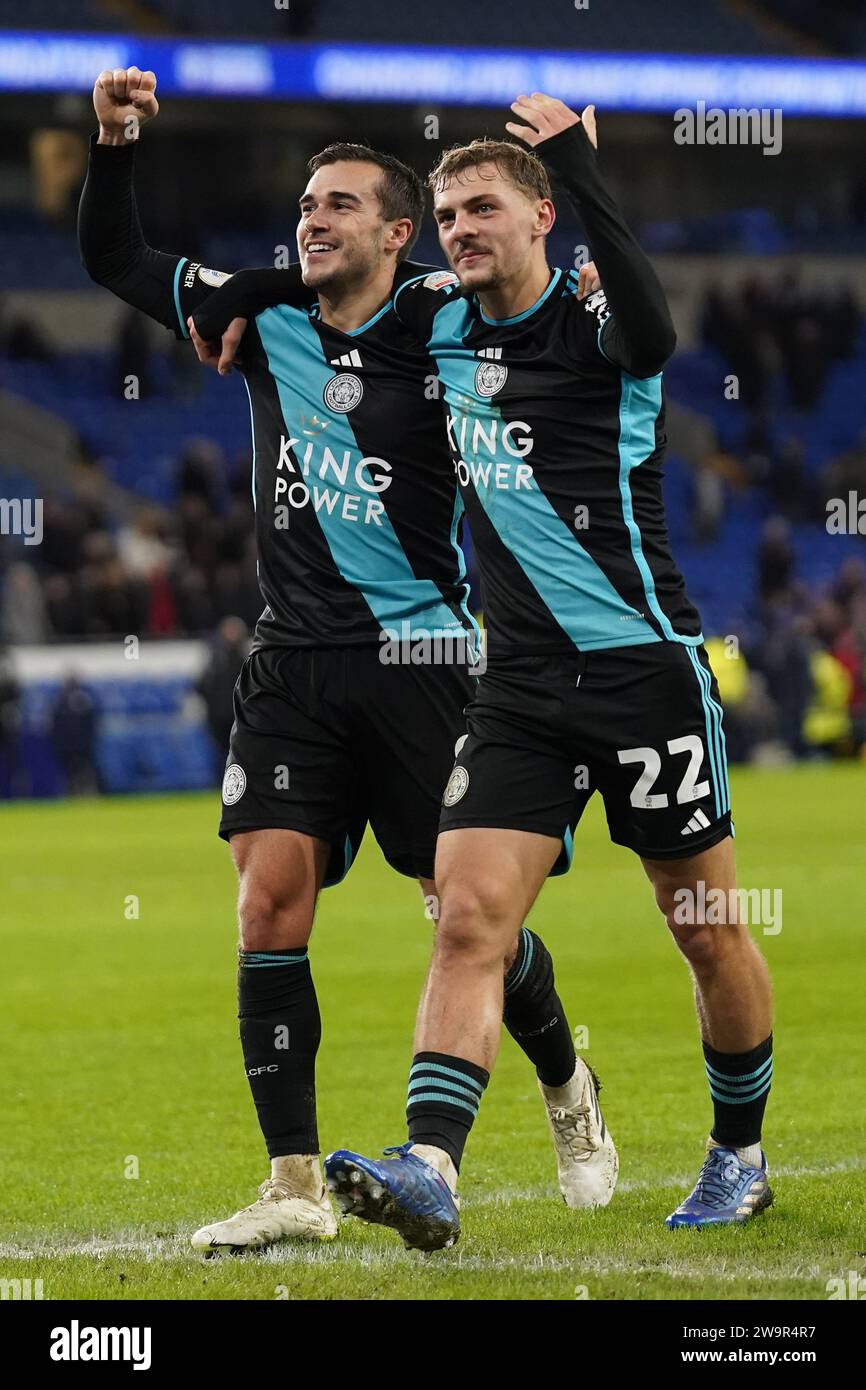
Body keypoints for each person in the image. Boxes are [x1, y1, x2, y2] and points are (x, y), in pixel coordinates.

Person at [205, 96, 776, 1249]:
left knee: (703, 922)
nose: (461, 229)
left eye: (484, 210)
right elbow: (339, 286)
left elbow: (654, 326)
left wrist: (575, 158)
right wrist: (245, 291)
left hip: (639, 670)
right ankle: (429, 1167)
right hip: (513, 686)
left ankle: (737, 1154)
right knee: (466, 919)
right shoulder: (440, 330)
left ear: (542, 219)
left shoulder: (600, 328)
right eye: (450, 212)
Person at [79, 66, 615, 1253]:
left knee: (464, 917)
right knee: (268, 907)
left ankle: (568, 1083)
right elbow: (117, 259)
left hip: (427, 657)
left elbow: (551, 315)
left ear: (396, 229)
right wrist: (113, 143)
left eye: (336, 207)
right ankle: (292, 1185)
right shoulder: (260, 315)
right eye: (302, 207)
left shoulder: (445, 317)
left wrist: (581, 266)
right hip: (292, 660)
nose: (309, 221)